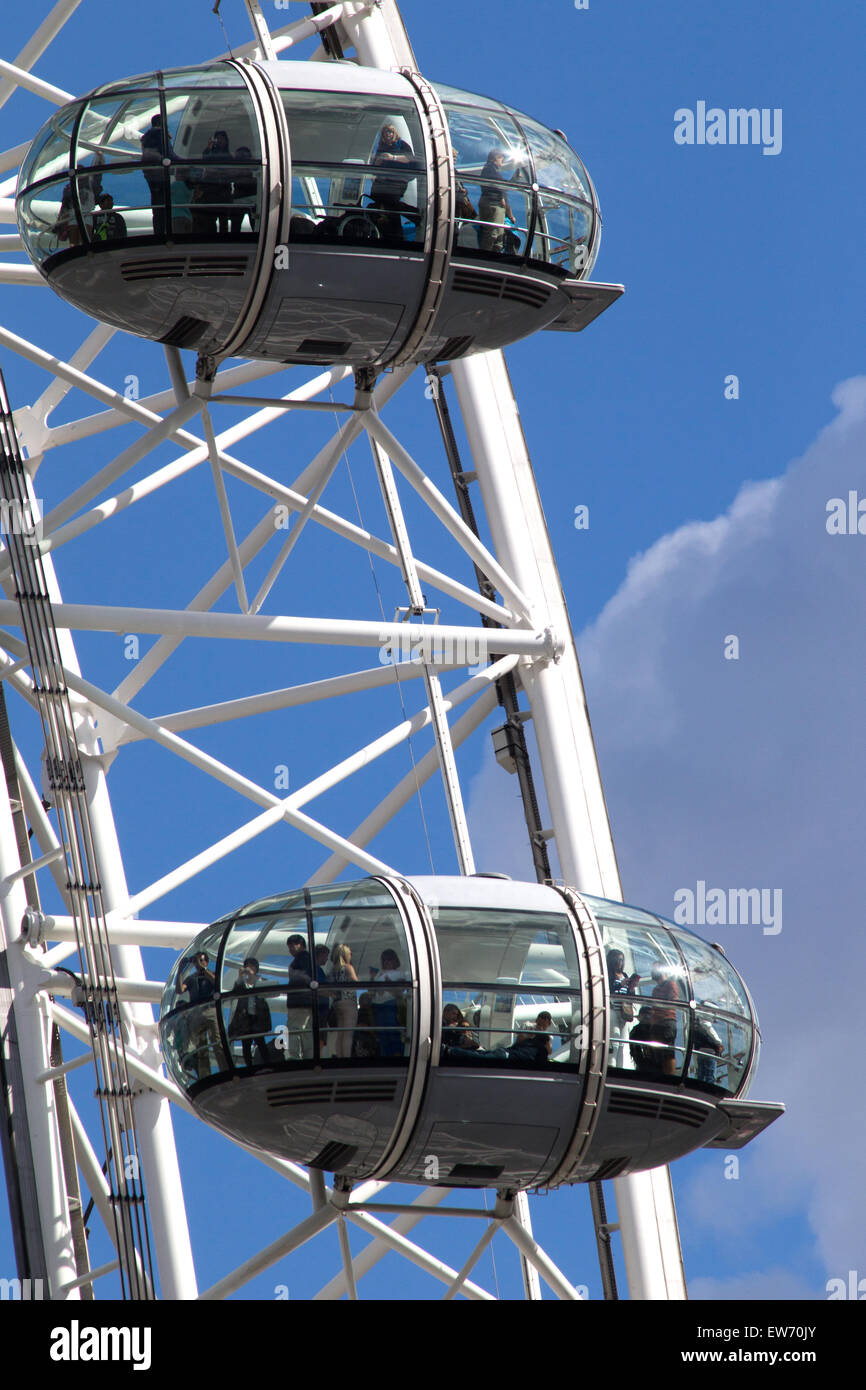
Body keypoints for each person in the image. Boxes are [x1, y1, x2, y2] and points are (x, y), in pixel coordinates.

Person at [369, 121, 422, 239]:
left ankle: (411, 219)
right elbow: (374, 167)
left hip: (398, 181)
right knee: (381, 203)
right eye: (386, 132)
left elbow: (410, 159)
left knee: (391, 202)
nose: (388, 134)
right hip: (382, 181)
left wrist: (393, 157)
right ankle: (392, 231)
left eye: (390, 132)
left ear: (394, 133)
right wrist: (378, 161)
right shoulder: (381, 147)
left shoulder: (401, 145)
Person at [629, 961, 682, 1077]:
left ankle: (669, 1078)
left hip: (666, 1022)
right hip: (657, 1024)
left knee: (667, 1053)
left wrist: (657, 1008)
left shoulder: (670, 984)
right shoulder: (656, 989)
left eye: (655, 969)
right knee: (658, 1053)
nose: (652, 972)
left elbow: (673, 1002)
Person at [177, 950, 218, 1078]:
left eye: (200, 960)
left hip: (210, 1011)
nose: (197, 964)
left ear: (206, 962)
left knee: (217, 1042)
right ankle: (206, 1076)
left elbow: (216, 983)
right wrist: (180, 971)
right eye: (195, 961)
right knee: (201, 1049)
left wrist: (204, 970)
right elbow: (179, 990)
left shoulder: (211, 974)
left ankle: (224, 1068)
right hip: (197, 1014)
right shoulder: (191, 979)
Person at [186, 130, 233, 235]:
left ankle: (223, 241)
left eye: (222, 138)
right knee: (210, 221)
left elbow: (229, 172)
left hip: (223, 193)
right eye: (218, 139)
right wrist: (209, 147)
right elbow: (204, 159)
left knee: (223, 222)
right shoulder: (210, 152)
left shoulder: (228, 156)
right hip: (211, 193)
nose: (220, 141)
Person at [228, 957, 271, 1066]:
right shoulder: (242, 983)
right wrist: (240, 977)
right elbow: (235, 992)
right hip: (245, 1018)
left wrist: (253, 977)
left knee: (260, 1042)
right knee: (246, 1044)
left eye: (252, 966)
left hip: (258, 1017)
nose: (249, 968)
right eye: (247, 966)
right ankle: (249, 1066)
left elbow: (267, 992)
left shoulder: (261, 981)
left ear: (256, 969)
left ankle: (267, 1064)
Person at [140, 113, 174, 237]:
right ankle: (165, 232)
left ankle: (158, 232)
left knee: (156, 204)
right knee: (164, 203)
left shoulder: (146, 137)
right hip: (160, 173)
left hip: (149, 174)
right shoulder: (160, 135)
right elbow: (170, 154)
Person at [478, 148, 515, 253]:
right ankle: (487, 257)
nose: (501, 163)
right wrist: (511, 215)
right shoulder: (491, 170)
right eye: (501, 160)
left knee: (494, 234)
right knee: (494, 234)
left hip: (488, 203)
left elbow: (501, 188)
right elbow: (502, 189)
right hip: (494, 205)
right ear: (496, 158)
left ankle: (492, 254)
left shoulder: (487, 170)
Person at [370, 947, 405, 1056]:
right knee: (382, 1032)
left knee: (392, 1031)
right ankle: (384, 1055)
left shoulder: (399, 974)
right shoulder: (379, 973)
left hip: (390, 1003)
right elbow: (371, 990)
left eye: (389, 959)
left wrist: (389, 984)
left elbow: (400, 992)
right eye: (385, 960)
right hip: (377, 1004)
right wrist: (372, 979)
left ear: (395, 961)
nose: (387, 962)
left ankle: (396, 1054)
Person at [607, 948, 639, 1066]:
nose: (620, 962)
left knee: (622, 1043)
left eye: (622, 960)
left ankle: (619, 1068)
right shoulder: (609, 974)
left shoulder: (624, 975)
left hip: (624, 1011)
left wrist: (631, 988)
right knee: (614, 1039)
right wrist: (621, 984)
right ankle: (611, 1065)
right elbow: (608, 989)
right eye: (618, 959)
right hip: (613, 1010)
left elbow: (630, 995)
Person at [284, 933, 313, 1059]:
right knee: (306, 1032)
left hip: (298, 1001)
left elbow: (302, 978)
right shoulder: (308, 959)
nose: (290, 949)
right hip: (306, 1001)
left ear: (300, 945)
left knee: (295, 1030)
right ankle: (309, 1056)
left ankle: (294, 1056)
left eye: (292, 946)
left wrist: (290, 987)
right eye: (289, 946)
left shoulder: (301, 960)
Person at [330, 942, 359, 1060]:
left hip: (337, 1002)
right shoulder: (348, 967)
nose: (351, 954)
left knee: (340, 1033)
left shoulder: (334, 969)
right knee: (348, 1033)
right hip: (348, 1001)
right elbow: (355, 982)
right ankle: (347, 1058)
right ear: (345, 955)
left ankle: (340, 1056)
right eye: (349, 953)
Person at [230, 146, 258, 234]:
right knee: (236, 224)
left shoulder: (254, 167)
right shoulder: (253, 168)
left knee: (254, 223)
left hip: (249, 196)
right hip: (244, 196)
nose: (242, 158)